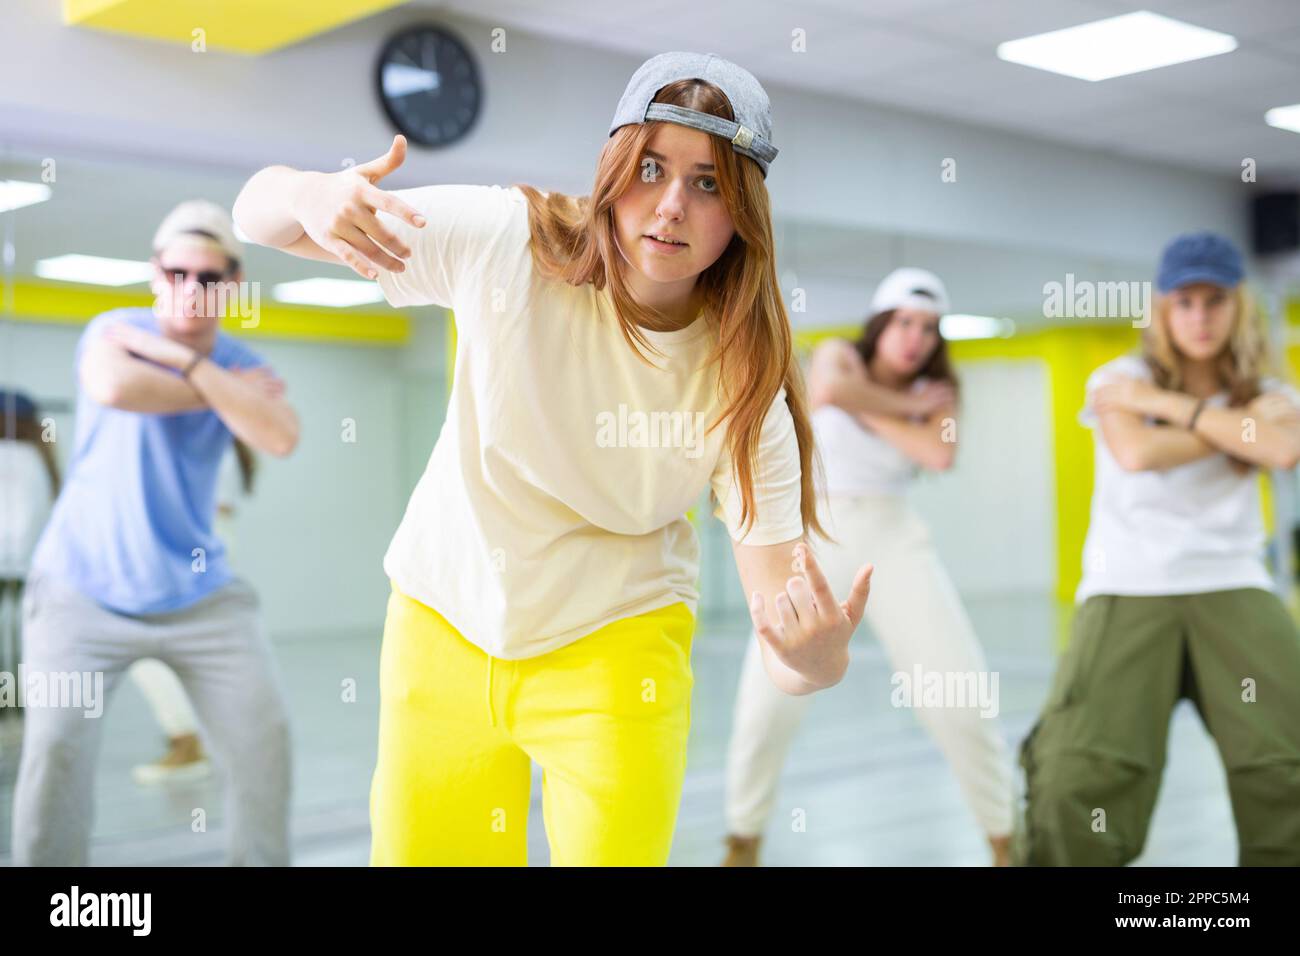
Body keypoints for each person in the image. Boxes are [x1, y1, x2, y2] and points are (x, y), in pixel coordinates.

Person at [234, 51, 873, 866]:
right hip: (445, 618)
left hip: (618, 650)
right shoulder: (509, 241)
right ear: (612, 168)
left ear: (743, 212)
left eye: (709, 183)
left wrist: (812, 660)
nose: (672, 205)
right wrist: (309, 192)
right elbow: (257, 214)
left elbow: (782, 636)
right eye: (650, 167)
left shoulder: (742, 386)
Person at [12, 200, 300, 866]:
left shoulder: (239, 358)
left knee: (265, 744)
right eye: (177, 273)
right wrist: (227, 389)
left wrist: (197, 369)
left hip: (200, 596)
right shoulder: (114, 328)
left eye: (209, 277)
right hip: (79, 593)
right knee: (54, 756)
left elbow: (280, 436)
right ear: (155, 274)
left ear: (233, 282)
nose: (191, 290)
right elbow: (115, 387)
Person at [1014, 232, 1300, 866]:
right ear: (1163, 308)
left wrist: (1168, 407)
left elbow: (1281, 450)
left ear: (1239, 306)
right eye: (1185, 301)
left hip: (1234, 581)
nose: (1200, 317)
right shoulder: (1118, 379)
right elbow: (1138, 453)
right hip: (1129, 583)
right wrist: (1233, 429)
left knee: (1285, 766)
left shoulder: (1269, 390)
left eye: (1215, 301)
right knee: (1078, 775)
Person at [721, 268, 1014, 866]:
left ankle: (1006, 839)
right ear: (881, 324)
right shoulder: (840, 355)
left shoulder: (943, 395)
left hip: (894, 538)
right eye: (905, 323)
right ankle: (742, 839)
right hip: (813, 536)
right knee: (766, 700)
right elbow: (827, 387)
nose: (916, 339)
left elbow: (938, 450)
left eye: (930, 329)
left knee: (958, 693)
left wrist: (870, 405)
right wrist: (906, 408)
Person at [129, 444, 252, 786]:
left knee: (148, 653)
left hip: (193, 547)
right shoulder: (218, 440)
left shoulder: (209, 442)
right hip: (203, 545)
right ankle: (196, 740)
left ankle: (188, 742)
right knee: (180, 654)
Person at [0, 390, 59, 686]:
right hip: (30, 561)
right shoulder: (39, 456)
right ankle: (19, 693)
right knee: (27, 630)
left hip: (17, 560)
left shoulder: (20, 457)